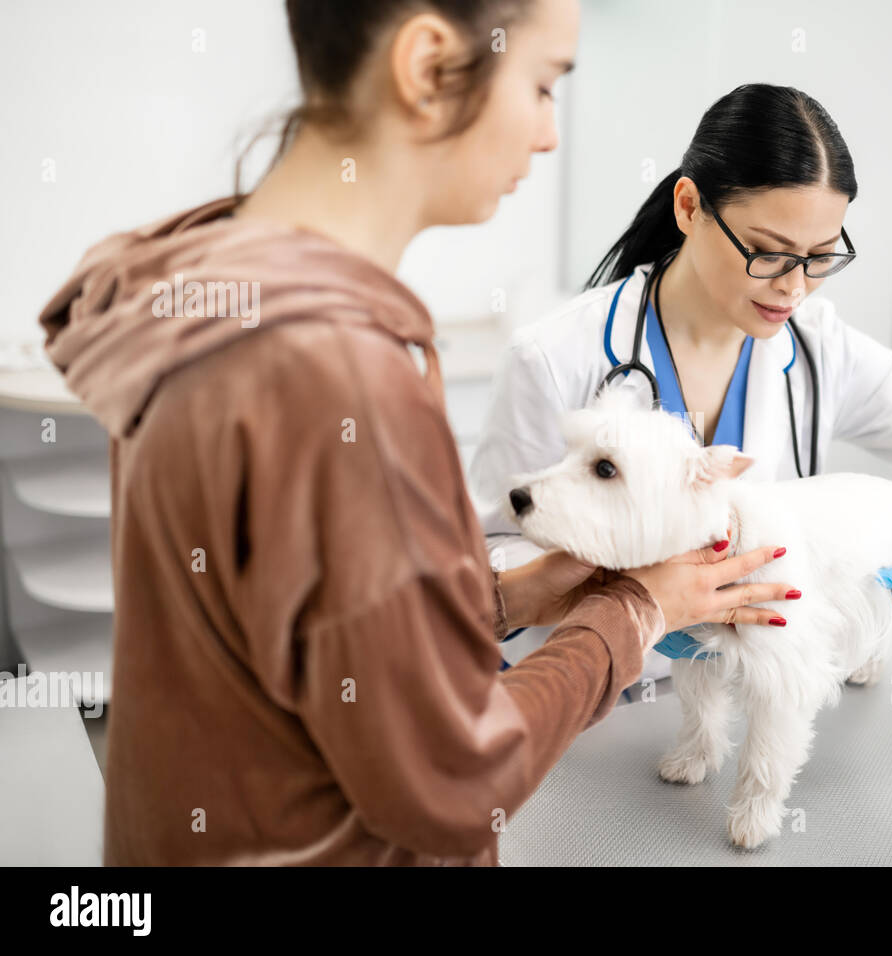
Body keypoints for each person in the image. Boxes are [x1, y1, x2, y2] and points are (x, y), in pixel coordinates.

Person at [35, 0, 796, 866]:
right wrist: (638, 608)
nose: (550, 136)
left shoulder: (205, 286)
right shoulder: (342, 382)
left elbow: (291, 621)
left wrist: (507, 595)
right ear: (430, 64)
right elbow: (453, 783)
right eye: (544, 86)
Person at [469, 83, 892, 683]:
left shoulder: (817, 345)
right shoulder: (554, 355)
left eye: (821, 256)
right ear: (690, 207)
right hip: (579, 696)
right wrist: (632, 591)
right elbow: (494, 557)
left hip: (755, 688)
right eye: (767, 252)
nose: (794, 287)